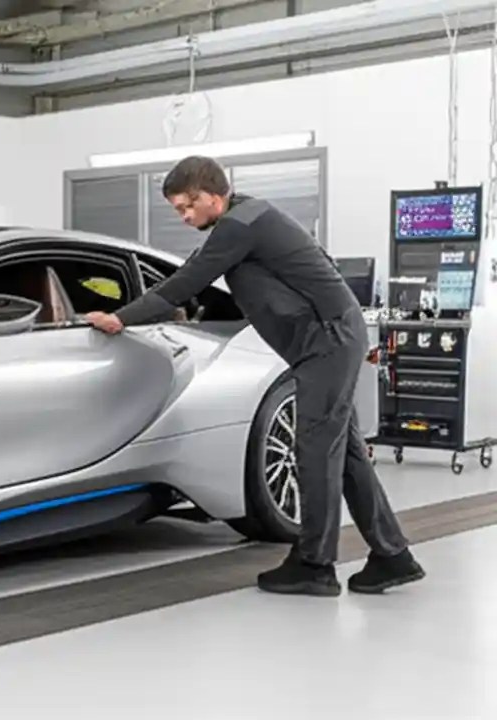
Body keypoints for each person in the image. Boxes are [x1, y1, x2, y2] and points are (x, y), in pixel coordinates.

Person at [83, 156, 424, 597]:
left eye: (187, 207)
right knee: (346, 455)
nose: (184, 217)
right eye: (178, 210)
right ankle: (392, 555)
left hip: (327, 341)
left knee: (315, 452)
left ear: (210, 195)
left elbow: (186, 281)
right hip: (330, 338)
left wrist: (120, 318)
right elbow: (206, 276)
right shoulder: (248, 218)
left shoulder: (240, 225)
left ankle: (314, 564)